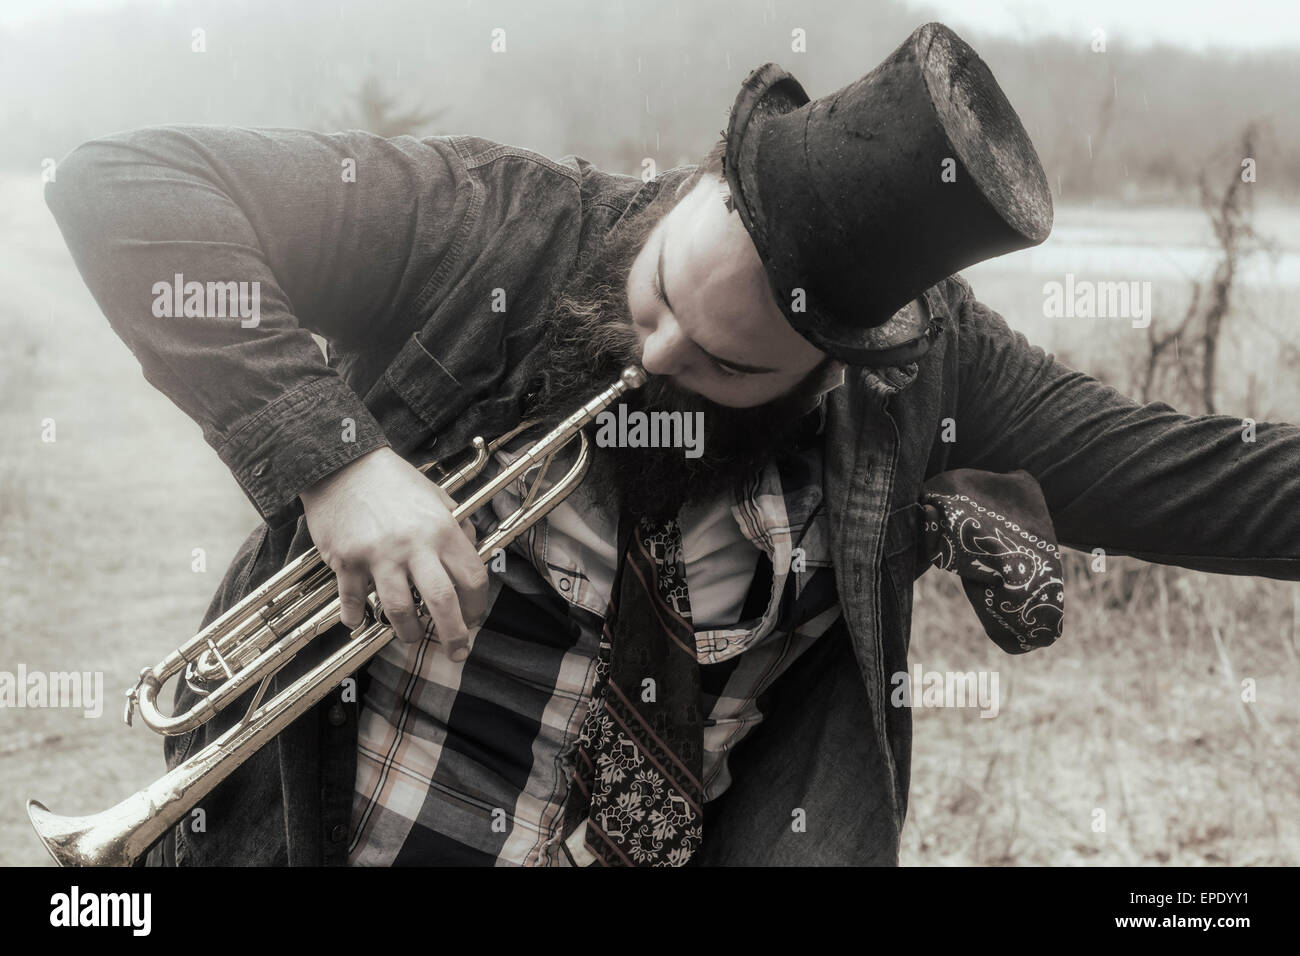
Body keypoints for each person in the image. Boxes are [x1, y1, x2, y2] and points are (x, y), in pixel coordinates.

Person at [45, 23, 1300, 866]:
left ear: (843, 359)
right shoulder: (490, 220)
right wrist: (334, 456)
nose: (652, 356)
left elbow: (1227, 485)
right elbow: (124, 187)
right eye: (656, 298)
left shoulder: (935, 375)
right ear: (706, 178)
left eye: (722, 361)